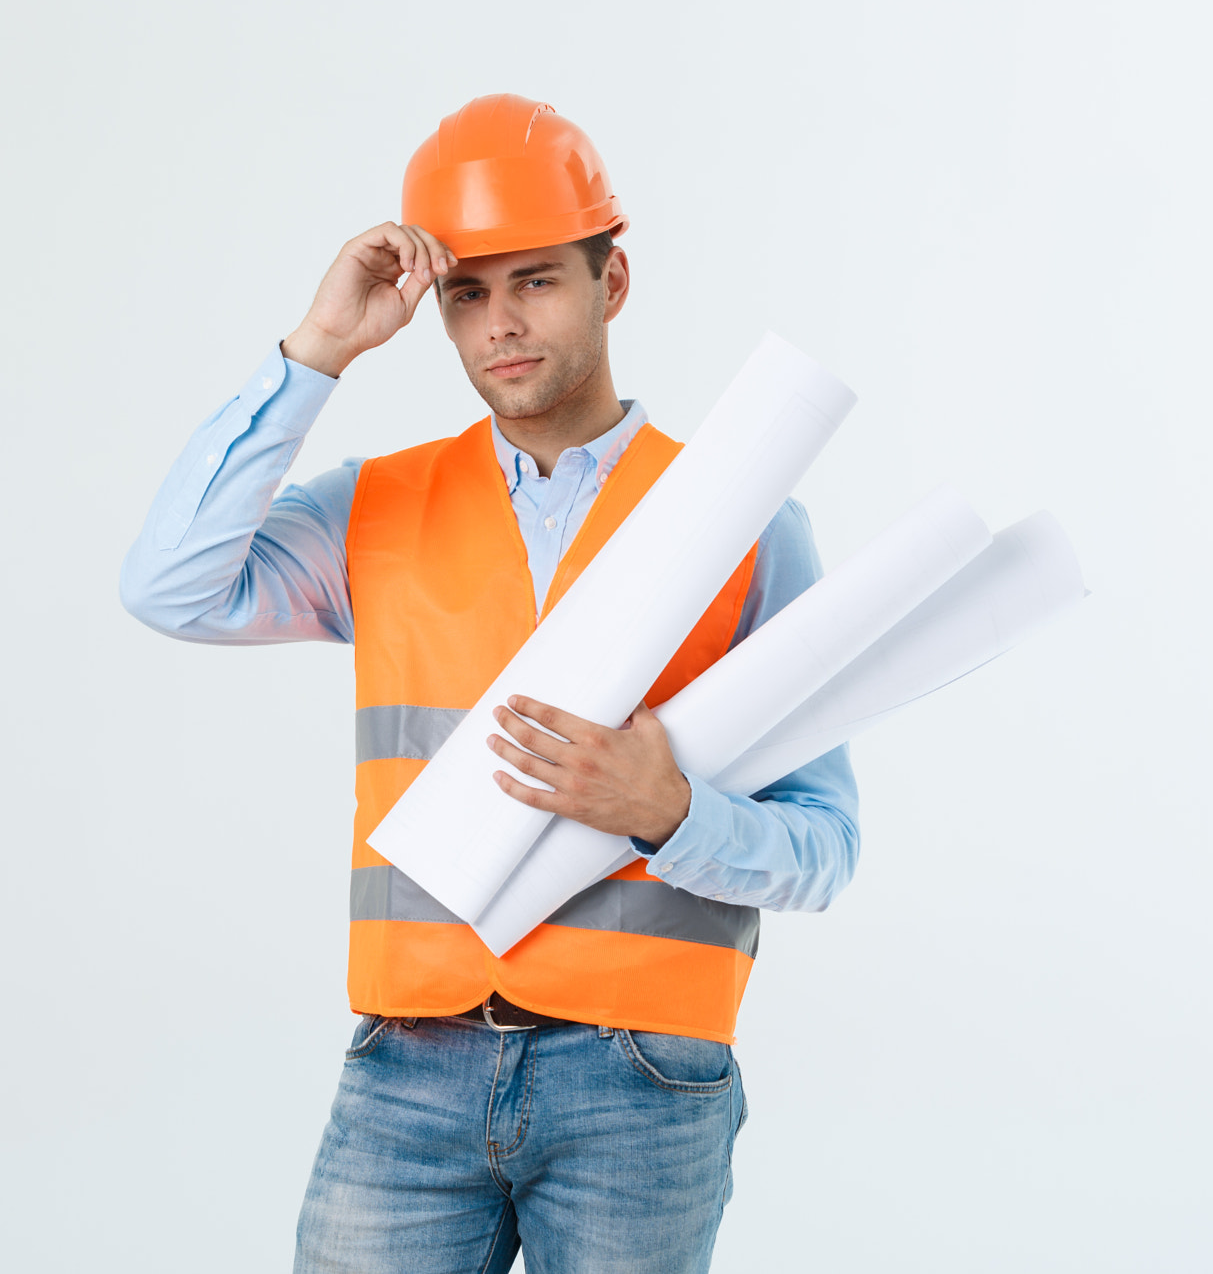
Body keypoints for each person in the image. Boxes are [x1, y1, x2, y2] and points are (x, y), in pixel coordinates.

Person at [121, 94, 860, 1274]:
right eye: (466, 293)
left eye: (536, 282)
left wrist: (664, 814)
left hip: (642, 1077)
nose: (499, 325)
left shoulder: (743, 520)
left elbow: (823, 848)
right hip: (407, 1070)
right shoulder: (373, 505)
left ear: (610, 282)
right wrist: (315, 351)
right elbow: (169, 586)